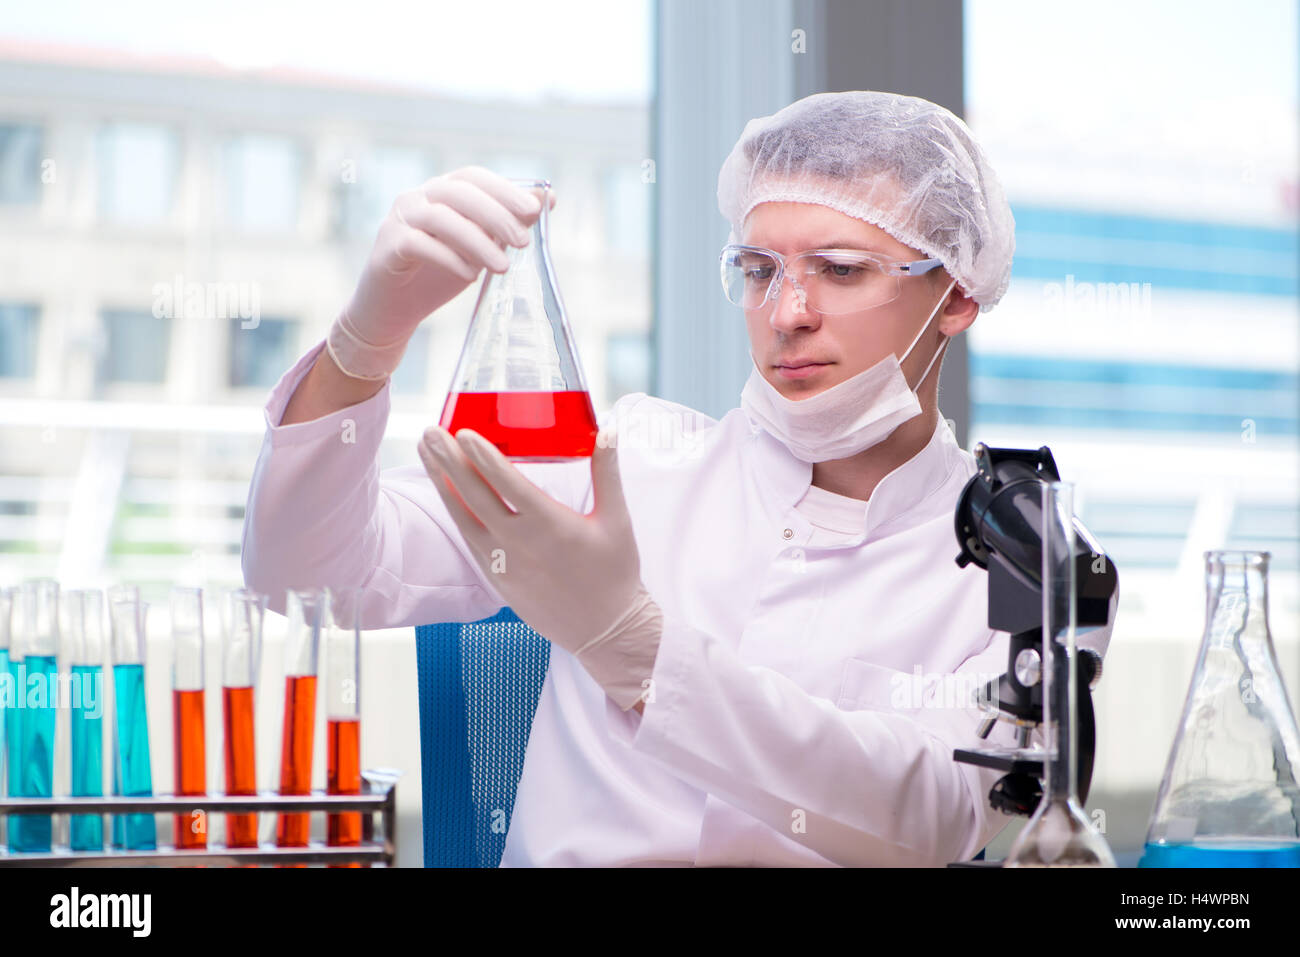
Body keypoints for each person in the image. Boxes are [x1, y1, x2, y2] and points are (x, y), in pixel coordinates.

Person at [242, 90, 1116, 866]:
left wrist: (633, 644)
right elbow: (307, 575)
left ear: (957, 292)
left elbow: (930, 818)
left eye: (840, 270)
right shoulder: (630, 461)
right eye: (759, 270)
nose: (787, 313)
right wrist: (365, 344)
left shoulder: (1033, 561)